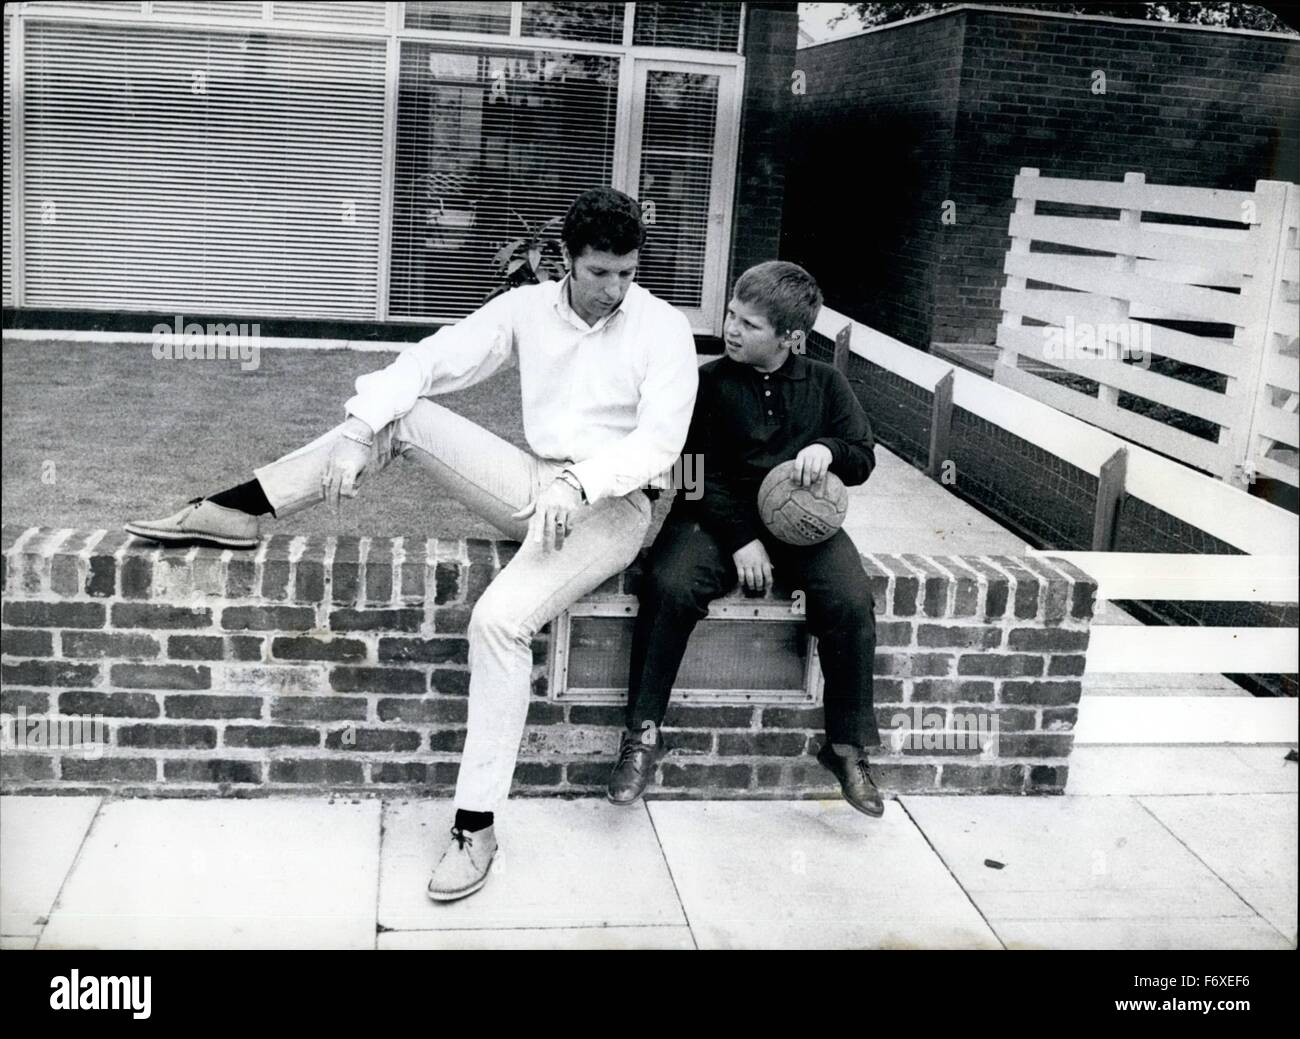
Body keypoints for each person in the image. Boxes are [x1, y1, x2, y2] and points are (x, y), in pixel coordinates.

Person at [125, 187, 699, 900]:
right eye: (599, 273)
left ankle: (476, 824)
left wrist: (578, 487)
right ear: (565, 262)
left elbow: (658, 445)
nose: (615, 289)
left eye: (626, 273)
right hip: (533, 485)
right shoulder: (526, 308)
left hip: (611, 506)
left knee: (498, 622)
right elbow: (433, 358)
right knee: (407, 416)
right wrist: (362, 429)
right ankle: (239, 509)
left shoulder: (662, 327)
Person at [607, 260, 884, 816]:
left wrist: (828, 450)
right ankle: (642, 735)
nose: (731, 328)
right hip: (712, 517)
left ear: (791, 337)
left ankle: (846, 746)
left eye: (750, 324)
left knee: (850, 600)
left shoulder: (827, 384)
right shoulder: (704, 383)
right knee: (669, 585)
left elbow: (862, 458)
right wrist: (738, 538)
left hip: (801, 524)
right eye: (731, 315)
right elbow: (687, 471)